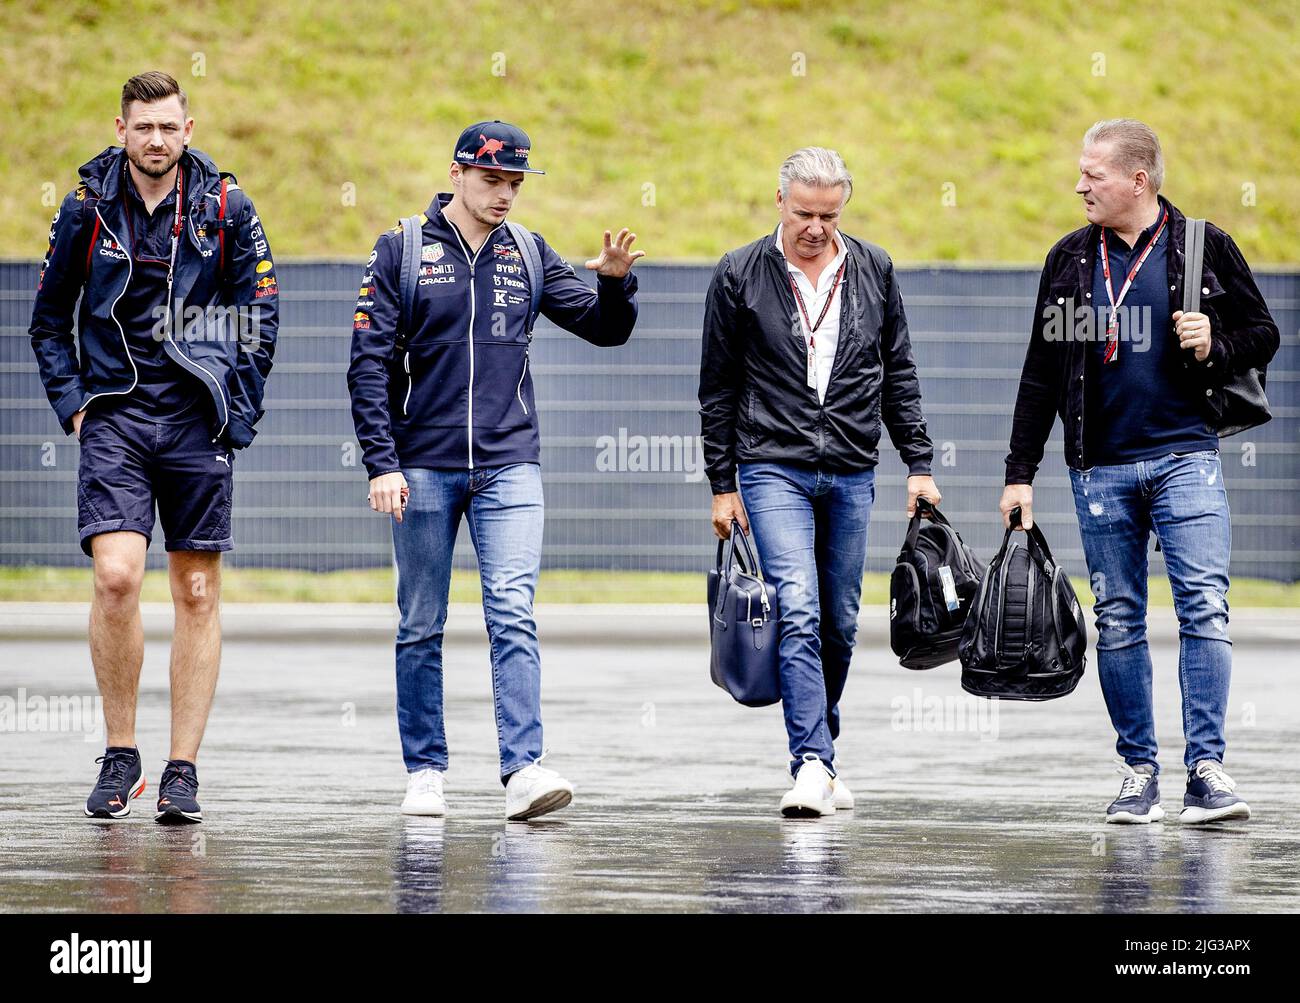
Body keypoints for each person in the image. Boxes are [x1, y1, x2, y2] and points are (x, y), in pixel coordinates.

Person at [348, 120, 644, 821]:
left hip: (511, 465)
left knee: (512, 610)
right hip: (421, 466)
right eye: (492, 180)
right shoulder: (401, 250)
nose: (505, 194)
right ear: (456, 174)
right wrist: (382, 462)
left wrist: (613, 286)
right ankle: (425, 771)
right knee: (421, 620)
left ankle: (524, 769)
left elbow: (605, 329)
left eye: (515, 182)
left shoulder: (530, 253)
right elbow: (369, 367)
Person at [1001, 119, 1280, 825]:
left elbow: (1263, 334)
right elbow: (1041, 372)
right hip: (1100, 470)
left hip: (1187, 456)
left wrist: (1216, 341)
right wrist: (1019, 471)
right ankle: (1138, 771)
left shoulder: (1202, 246)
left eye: (1091, 174)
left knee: (1203, 608)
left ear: (1137, 180)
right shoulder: (1070, 259)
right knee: (1118, 618)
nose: (1079, 186)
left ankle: (1208, 771)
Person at [29, 71, 278, 823]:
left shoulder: (226, 207)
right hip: (114, 416)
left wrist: (237, 408)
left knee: (197, 589)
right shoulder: (85, 208)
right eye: (144, 128)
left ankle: (182, 770)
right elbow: (47, 321)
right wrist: (75, 407)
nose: (158, 140)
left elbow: (260, 312)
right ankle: (120, 752)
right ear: (121, 129)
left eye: (170, 127)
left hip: (199, 416)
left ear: (189, 129)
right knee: (115, 577)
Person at [698, 147, 940, 818]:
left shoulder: (874, 267)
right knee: (798, 607)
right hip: (771, 465)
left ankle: (822, 749)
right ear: (779, 202)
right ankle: (810, 762)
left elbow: (900, 371)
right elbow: (716, 389)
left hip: (852, 467)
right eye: (804, 212)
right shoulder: (739, 273)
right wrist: (724, 485)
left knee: (838, 621)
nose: (815, 227)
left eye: (829, 215)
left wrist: (918, 463)